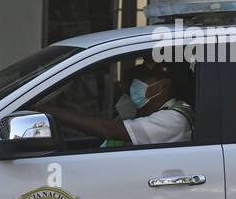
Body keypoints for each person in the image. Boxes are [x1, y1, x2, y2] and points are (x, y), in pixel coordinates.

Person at [42, 60, 194, 146]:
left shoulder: (174, 119)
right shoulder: (145, 110)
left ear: (163, 86)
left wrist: (47, 109)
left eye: (141, 80)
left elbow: (108, 129)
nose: (133, 85)